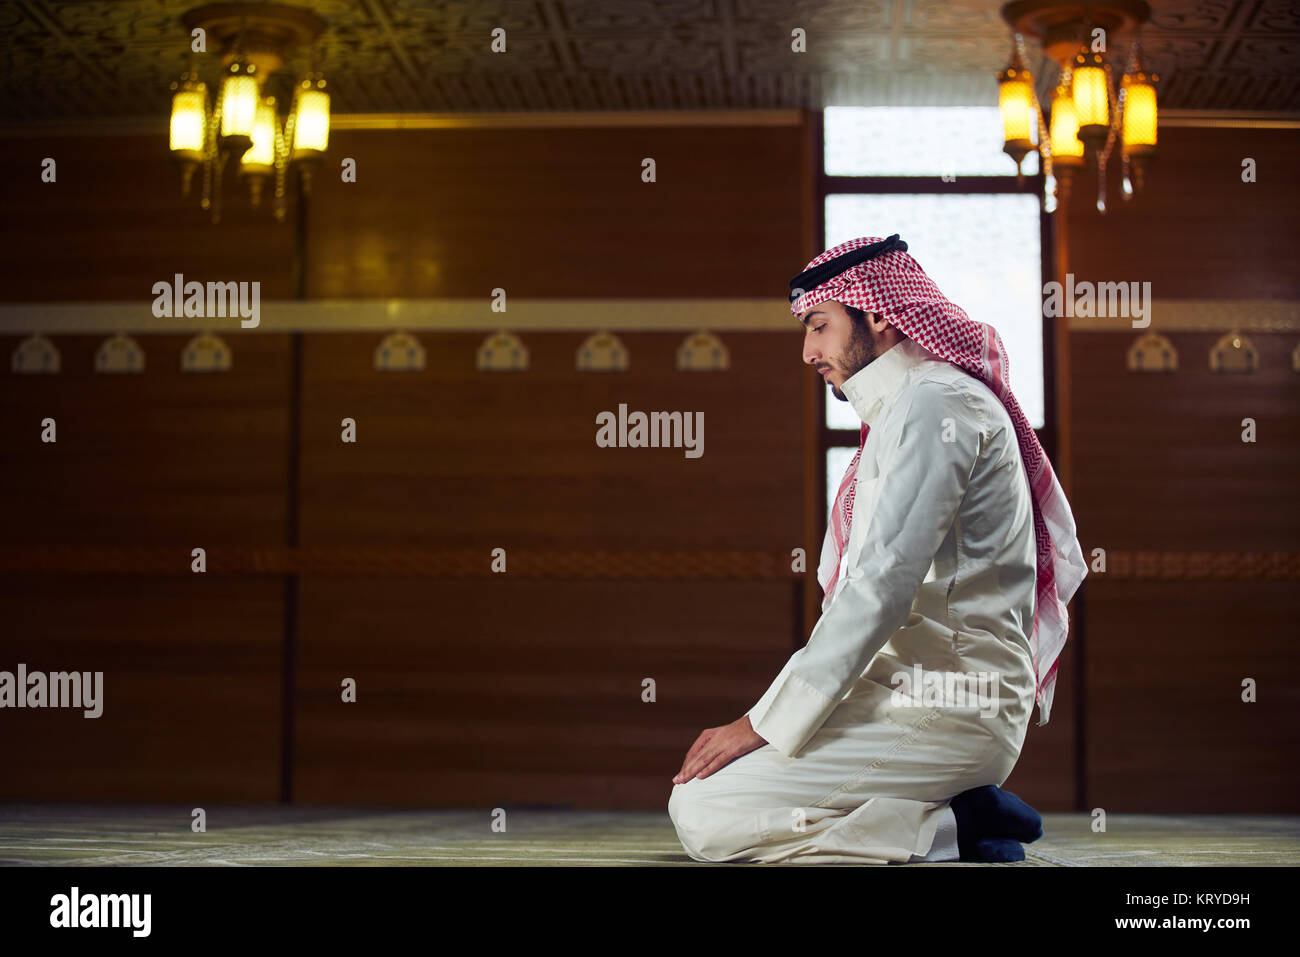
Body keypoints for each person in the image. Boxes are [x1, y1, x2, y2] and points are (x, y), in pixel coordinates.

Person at [667, 234, 1086, 863]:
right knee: (708, 796)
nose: (808, 352)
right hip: (904, 694)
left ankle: (955, 831)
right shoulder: (904, 408)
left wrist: (760, 722)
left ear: (880, 314)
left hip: (951, 705)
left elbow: (881, 582)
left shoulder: (934, 400)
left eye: (818, 326)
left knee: (706, 810)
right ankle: (956, 819)